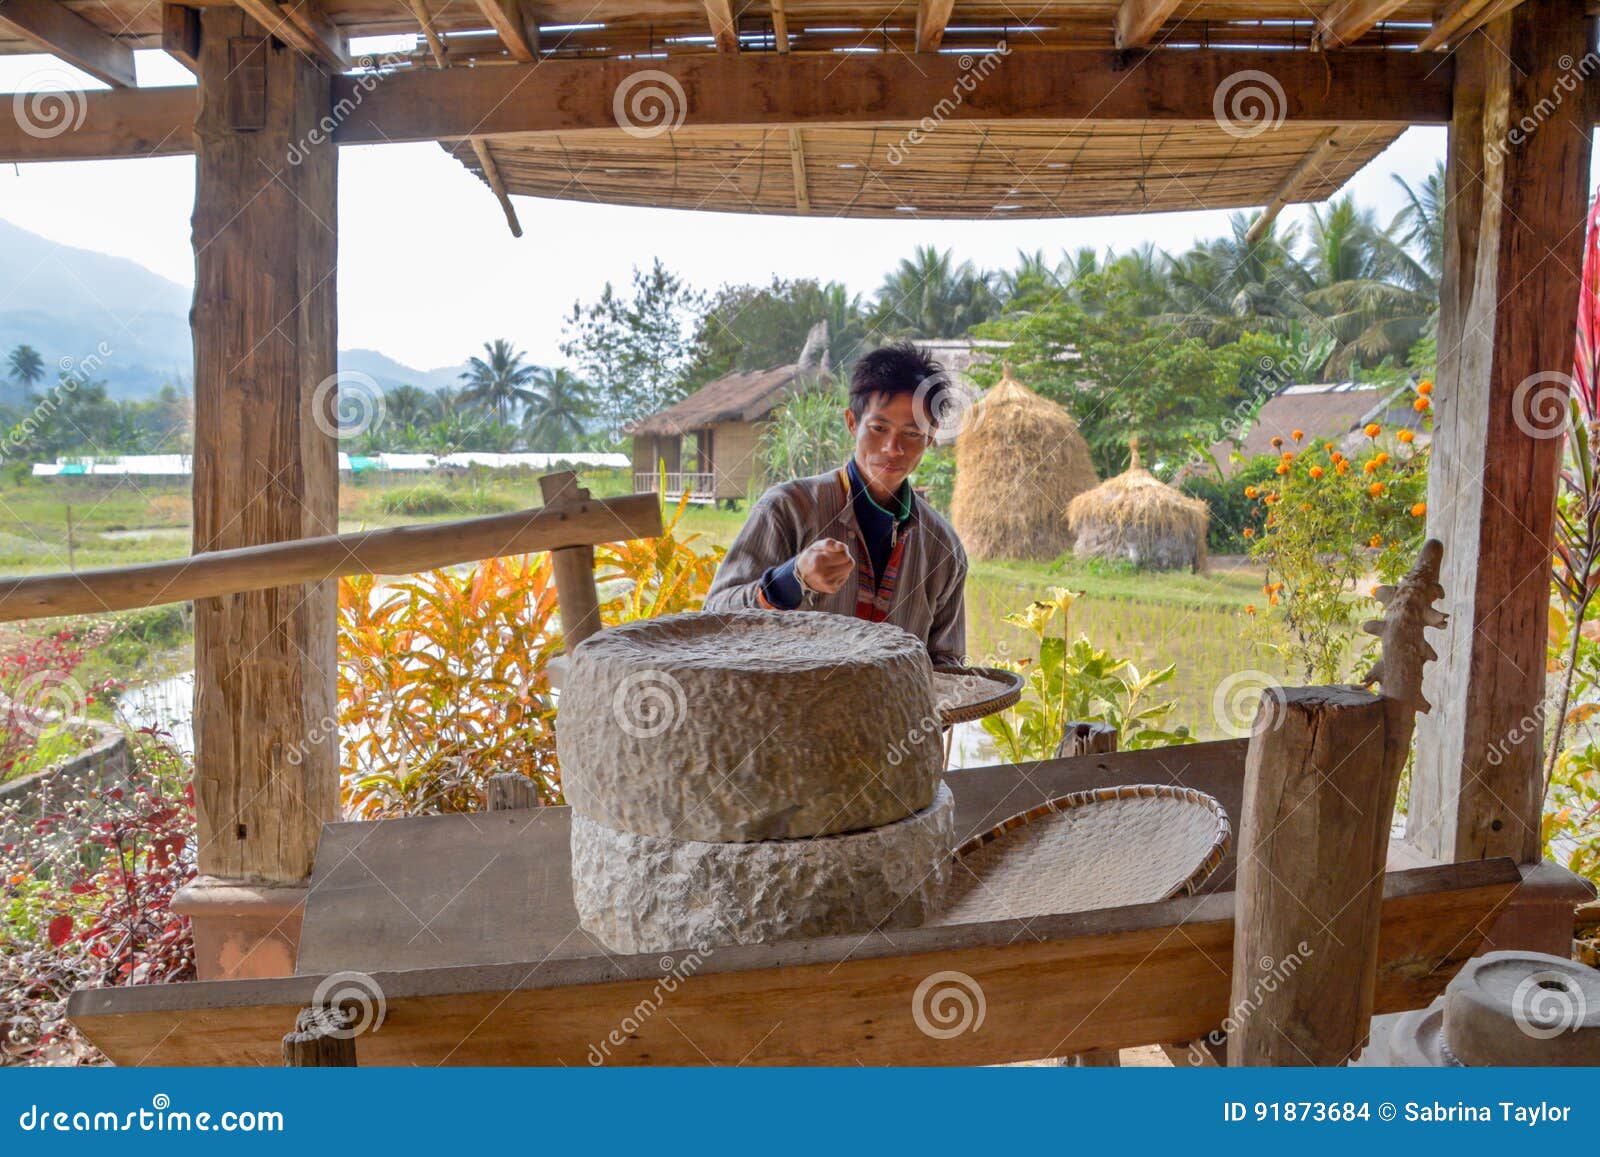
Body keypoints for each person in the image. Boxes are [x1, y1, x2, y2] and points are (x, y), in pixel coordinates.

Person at [703, 340, 968, 667]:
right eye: (879, 428)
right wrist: (790, 580)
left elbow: (946, 665)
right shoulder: (787, 509)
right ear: (852, 423)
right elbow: (713, 620)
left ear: (931, 436)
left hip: (893, 704)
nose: (892, 448)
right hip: (790, 701)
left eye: (911, 433)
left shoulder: (943, 548)